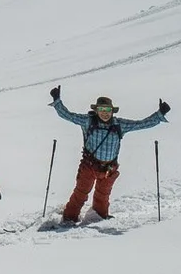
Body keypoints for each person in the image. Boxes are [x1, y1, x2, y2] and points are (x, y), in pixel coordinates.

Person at [49, 87, 168, 222]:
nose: (105, 113)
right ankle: (69, 218)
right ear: (97, 111)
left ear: (112, 111)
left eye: (108, 110)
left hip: (109, 168)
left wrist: (159, 114)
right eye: (102, 110)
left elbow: (141, 124)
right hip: (89, 165)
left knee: (103, 194)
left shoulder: (119, 125)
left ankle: (99, 216)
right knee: (81, 193)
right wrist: (57, 101)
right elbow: (68, 116)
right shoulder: (88, 121)